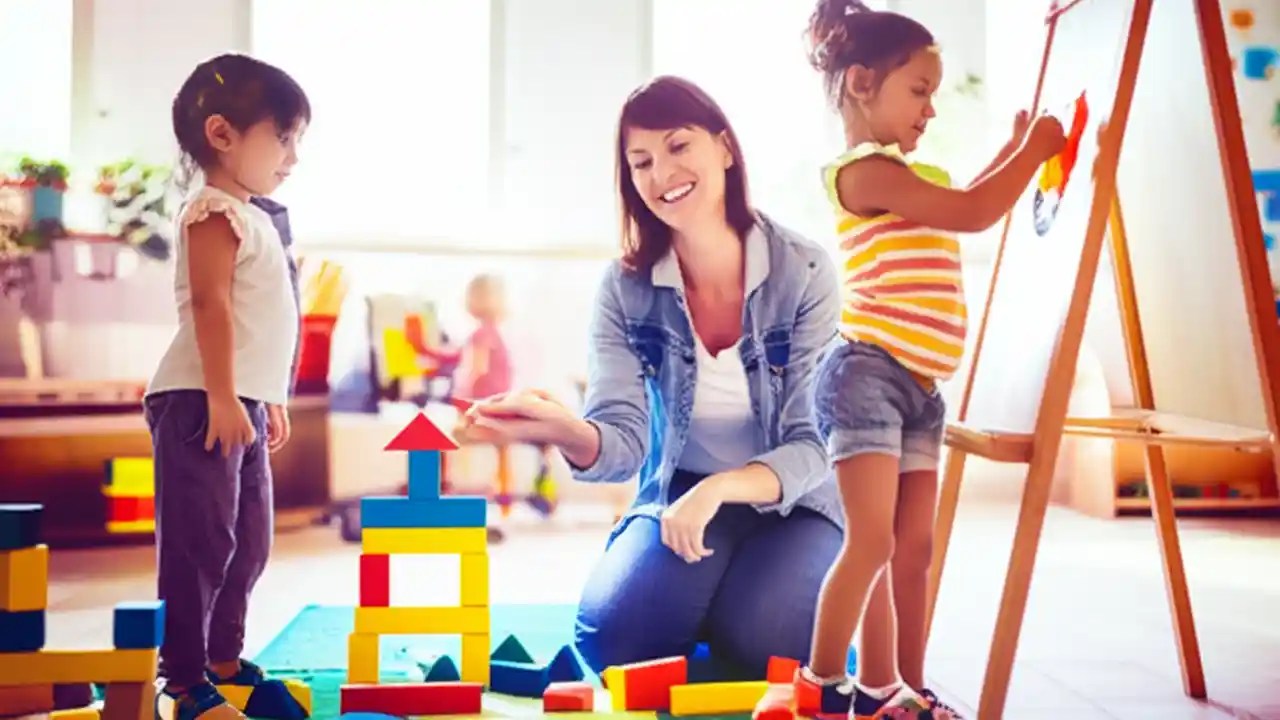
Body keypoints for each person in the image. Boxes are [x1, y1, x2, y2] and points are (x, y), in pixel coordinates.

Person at [456, 75, 845, 677]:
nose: (661, 173)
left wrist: (718, 489)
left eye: (678, 147)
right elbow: (621, 442)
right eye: (641, 162)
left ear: (725, 148)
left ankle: (734, 597)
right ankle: (714, 593)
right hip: (679, 491)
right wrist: (561, 429)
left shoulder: (805, 270)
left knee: (769, 648)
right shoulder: (625, 287)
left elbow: (812, 443)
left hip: (793, 500)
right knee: (613, 643)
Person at [769, 2, 1067, 717]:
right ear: (863, 83)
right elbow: (968, 212)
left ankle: (894, 690)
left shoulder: (904, 171)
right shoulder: (861, 173)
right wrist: (1031, 155)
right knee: (871, 542)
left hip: (919, 387)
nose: (930, 109)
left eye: (934, 93)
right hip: (866, 377)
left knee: (913, 550)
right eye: (919, 90)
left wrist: (1014, 150)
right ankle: (818, 691)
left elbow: (961, 198)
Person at [145, 53, 312, 720]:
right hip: (197, 399)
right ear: (222, 135)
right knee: (200, 543)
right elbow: (211, 308)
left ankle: (222, 661)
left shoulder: (258, 216)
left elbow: (257, 318)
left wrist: (264, 394)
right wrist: (221, 395)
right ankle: (181, 681)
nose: (293, 157)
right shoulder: (212, 212)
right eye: (284, 137)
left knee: (247, 541)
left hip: (238, 396)